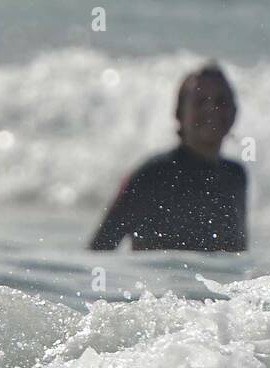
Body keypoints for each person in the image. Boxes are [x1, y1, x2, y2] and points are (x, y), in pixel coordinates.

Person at [88, 63, 247, 253]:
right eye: (200, 102)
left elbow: (238, 261)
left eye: (221, 101)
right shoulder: (152, 174)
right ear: (179, 114)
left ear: (235, 112)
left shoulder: (235, 176)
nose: (212, 109)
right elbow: (98, 251)